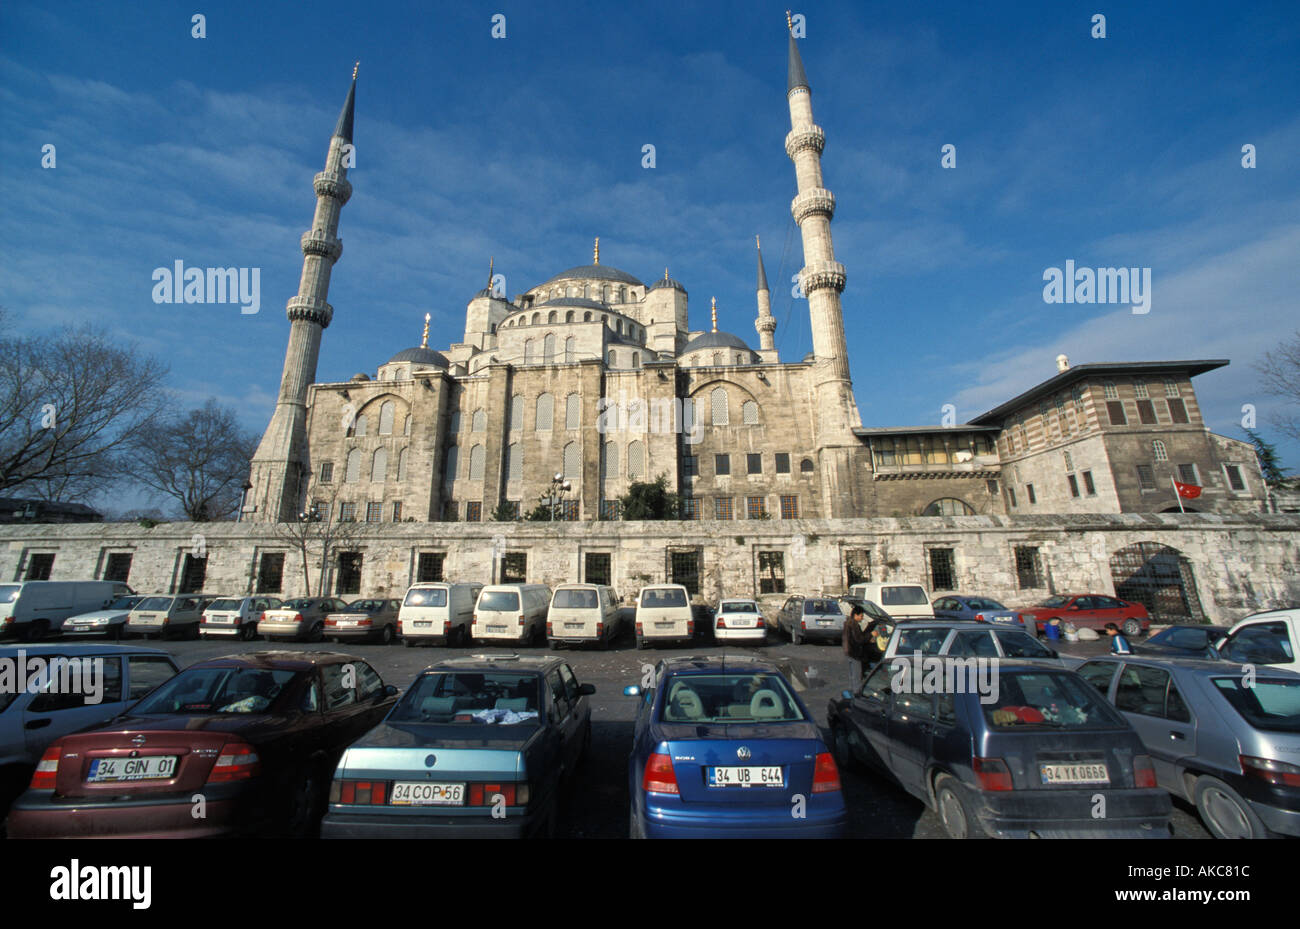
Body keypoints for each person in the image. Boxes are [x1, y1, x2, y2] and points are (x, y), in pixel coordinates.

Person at [842, 606, 869, 691]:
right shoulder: (854, 624)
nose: (862, 617)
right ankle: (857, 695)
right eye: (861, 615)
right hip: (854, 653)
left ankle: (851, 692)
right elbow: (859, 639)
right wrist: (871, 635)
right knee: (857, 676)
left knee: (852, 676)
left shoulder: (847, 622)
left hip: (848, 652)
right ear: (855, 615)